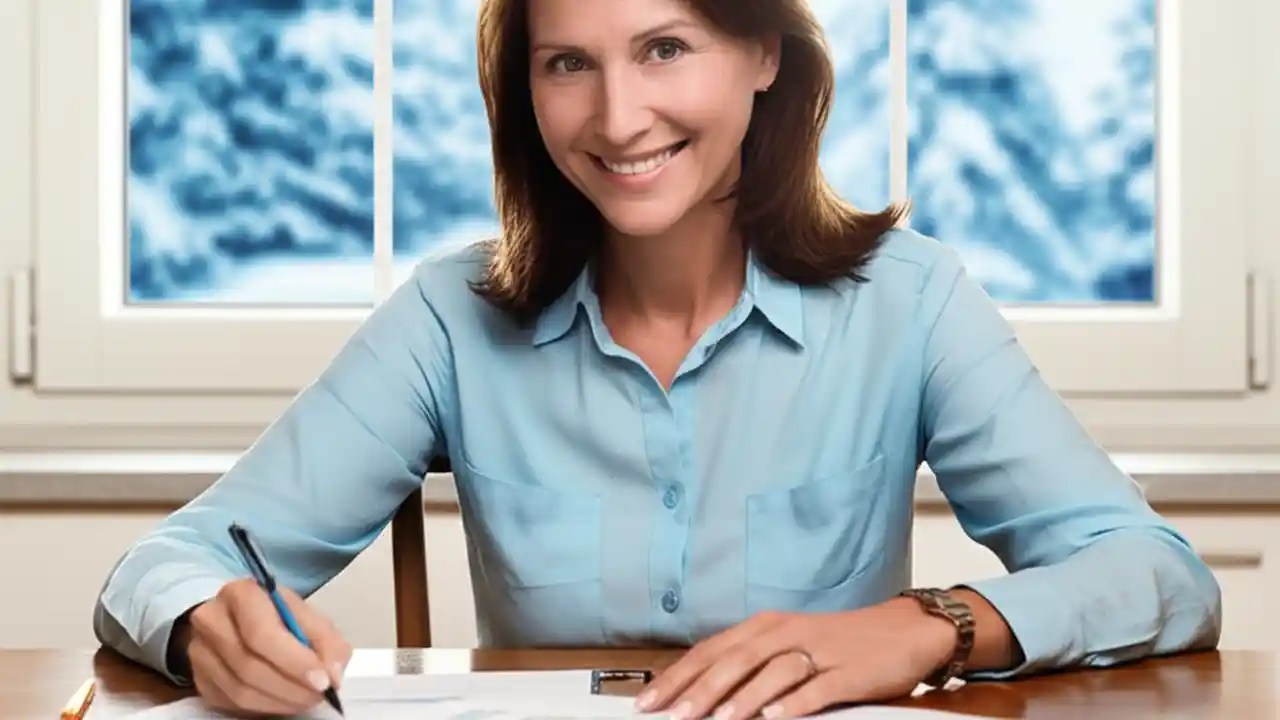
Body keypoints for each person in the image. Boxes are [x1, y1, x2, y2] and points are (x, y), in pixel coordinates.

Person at [93, 0, 1222, 717]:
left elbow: (1156, 574)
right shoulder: (449, 316)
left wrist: (930, 624)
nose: (616, 116)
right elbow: (170, 560)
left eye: (664, 48)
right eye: (566, 63)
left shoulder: (910, 301)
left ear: (763, 56)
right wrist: (206, 627)